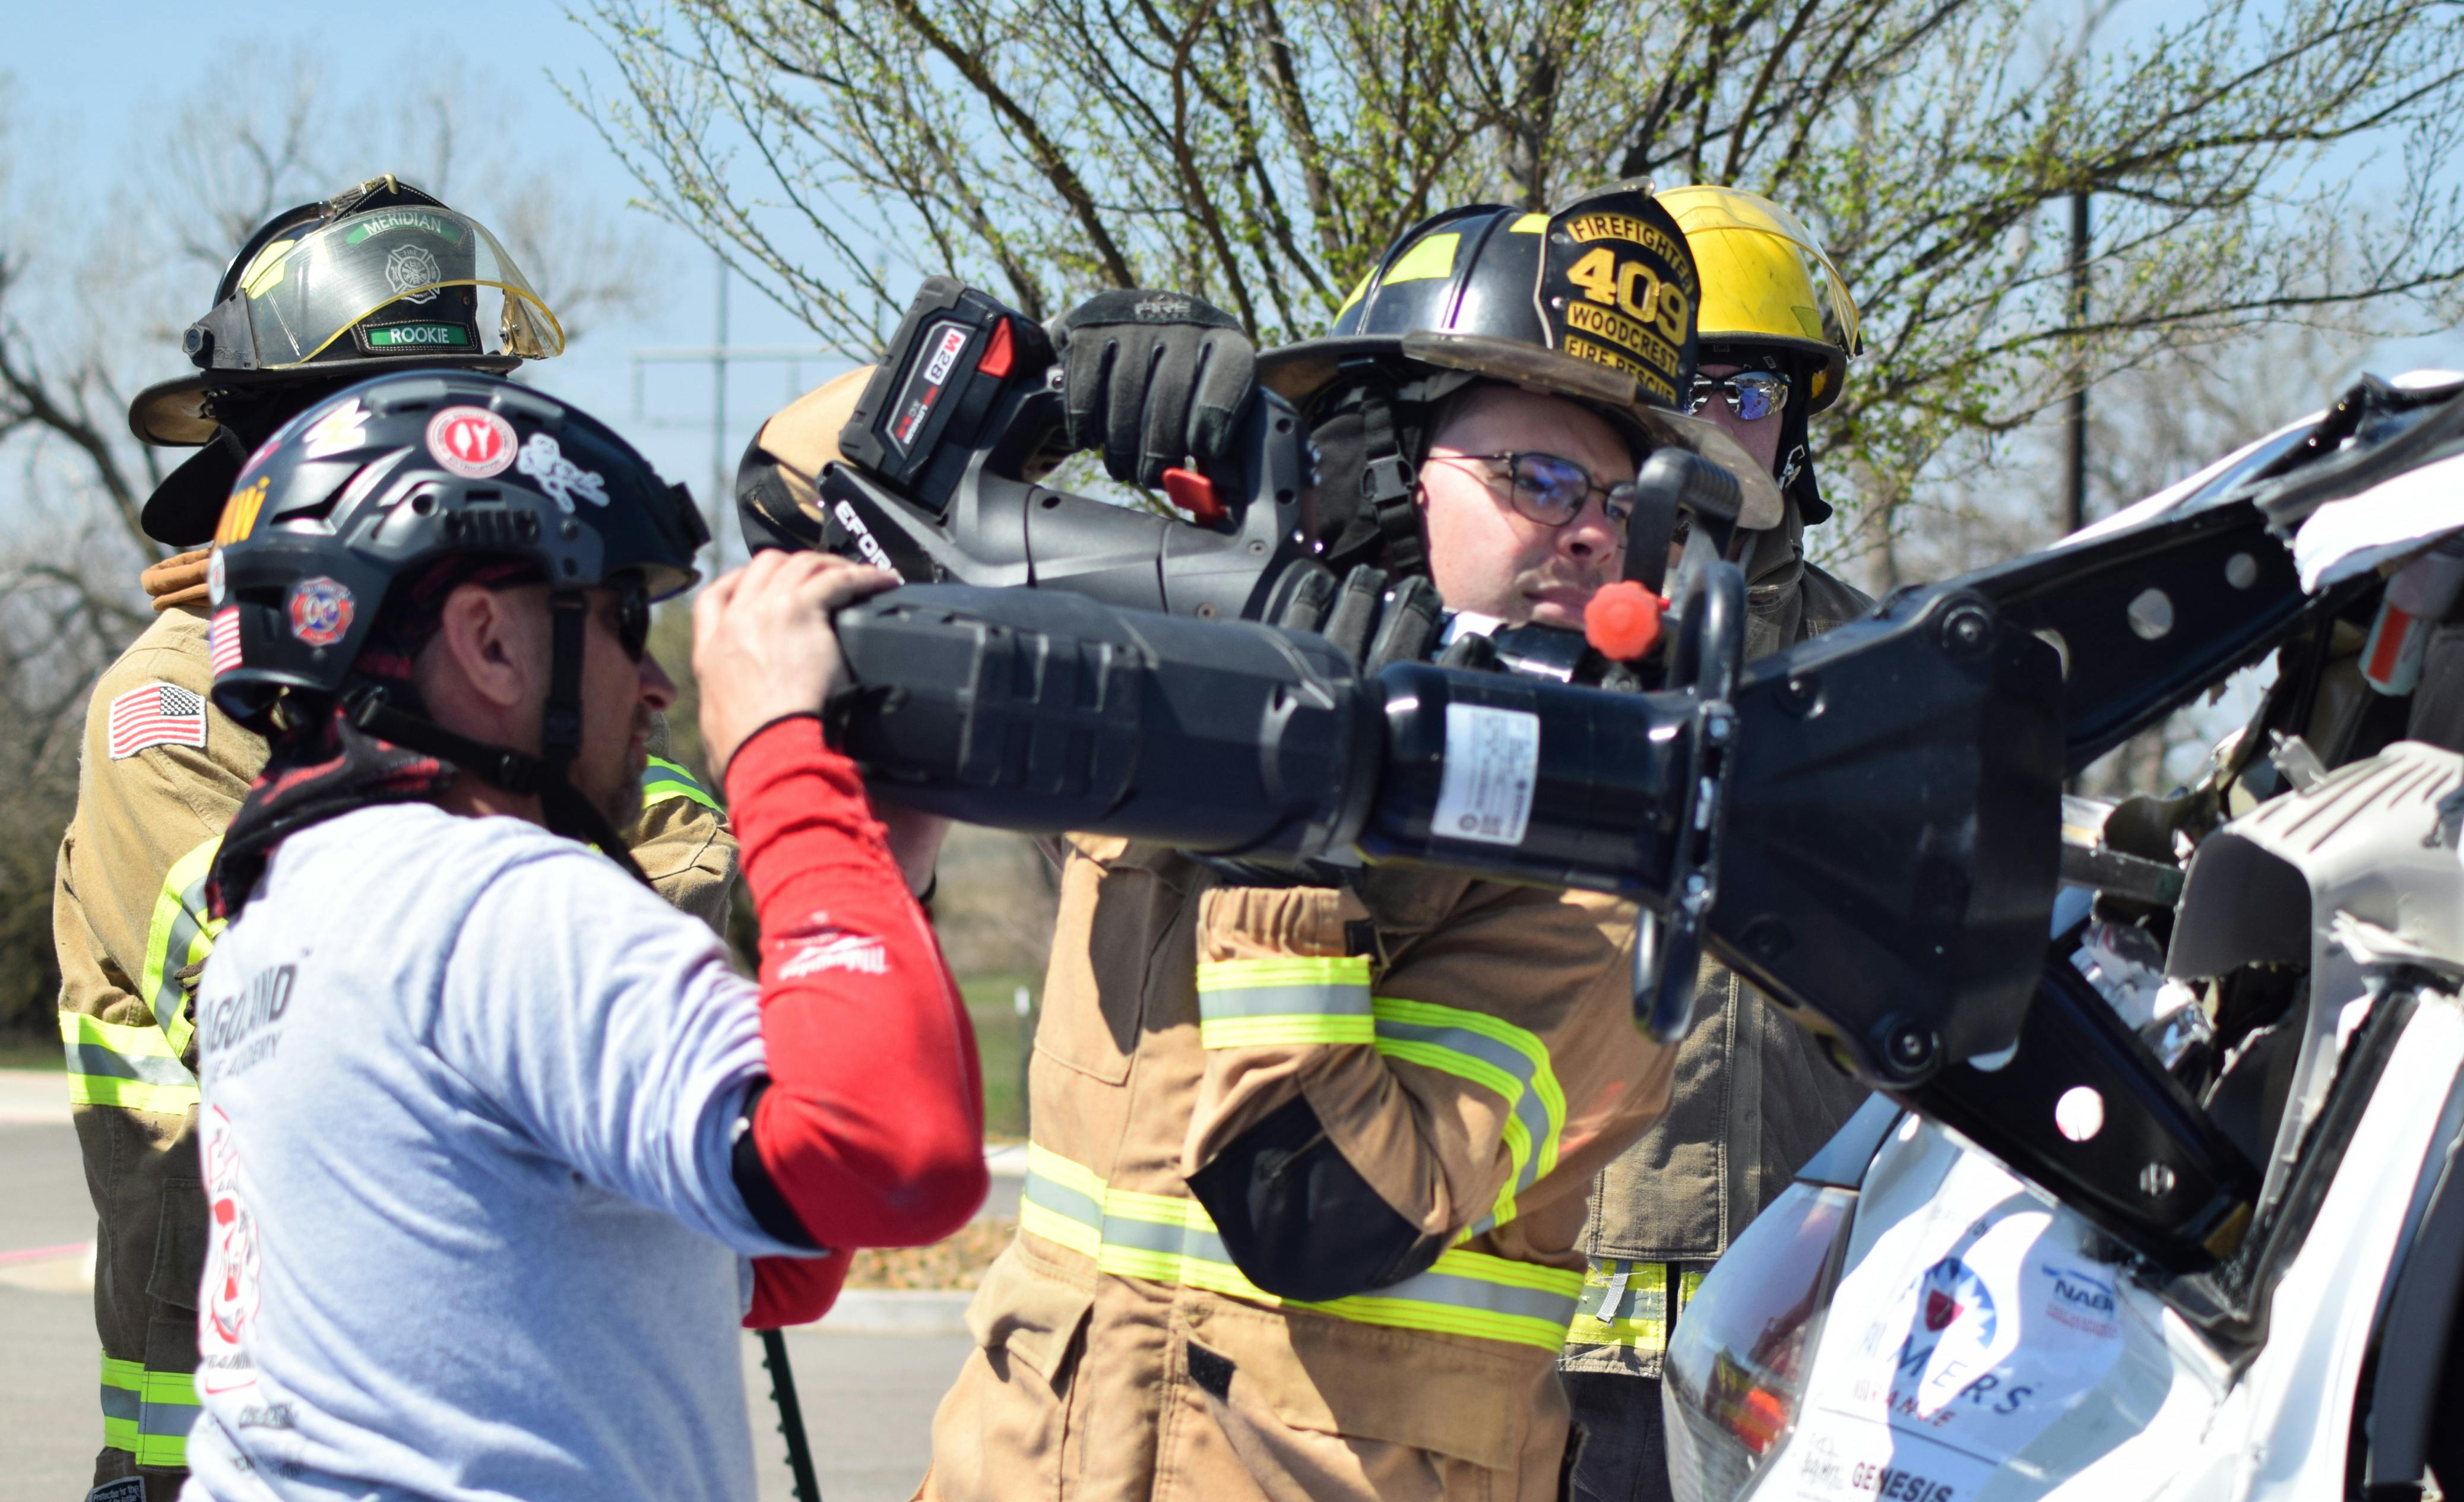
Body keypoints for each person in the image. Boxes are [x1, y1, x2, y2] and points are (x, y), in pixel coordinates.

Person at [739, 182, 1771, 1502]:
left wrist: (1288, 817)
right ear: (1383, 483)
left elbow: (1318, 1203)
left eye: (1625, 505)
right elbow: (796, 499)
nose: (1590, 531)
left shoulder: (1598, 868)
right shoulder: (1176, 667)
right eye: (1543, 478)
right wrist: (1065, 390)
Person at [51, 175, 739, 1502]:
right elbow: (320, 993)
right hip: (227, 1453)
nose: (462, 457)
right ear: (287, 445)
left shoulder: (474, 675)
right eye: (410, 421)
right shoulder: (174, 709)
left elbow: (686, 865)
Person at [177, 370, 982, 1501]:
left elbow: (761, 1262)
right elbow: (891, 1160)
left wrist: (877, 864)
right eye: (617, 621)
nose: (655, 685)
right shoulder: (489, 900)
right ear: (491, 644)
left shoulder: (284, 918)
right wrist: (780, 755)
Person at [1555, 184, 1879, 1501]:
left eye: (1743, 387)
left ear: (1798, 418)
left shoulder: (1879, 670)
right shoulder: (1543, 648)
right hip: (1576, 1300)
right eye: (1671, 384)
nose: (1706, 421)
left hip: (1812, 1298)